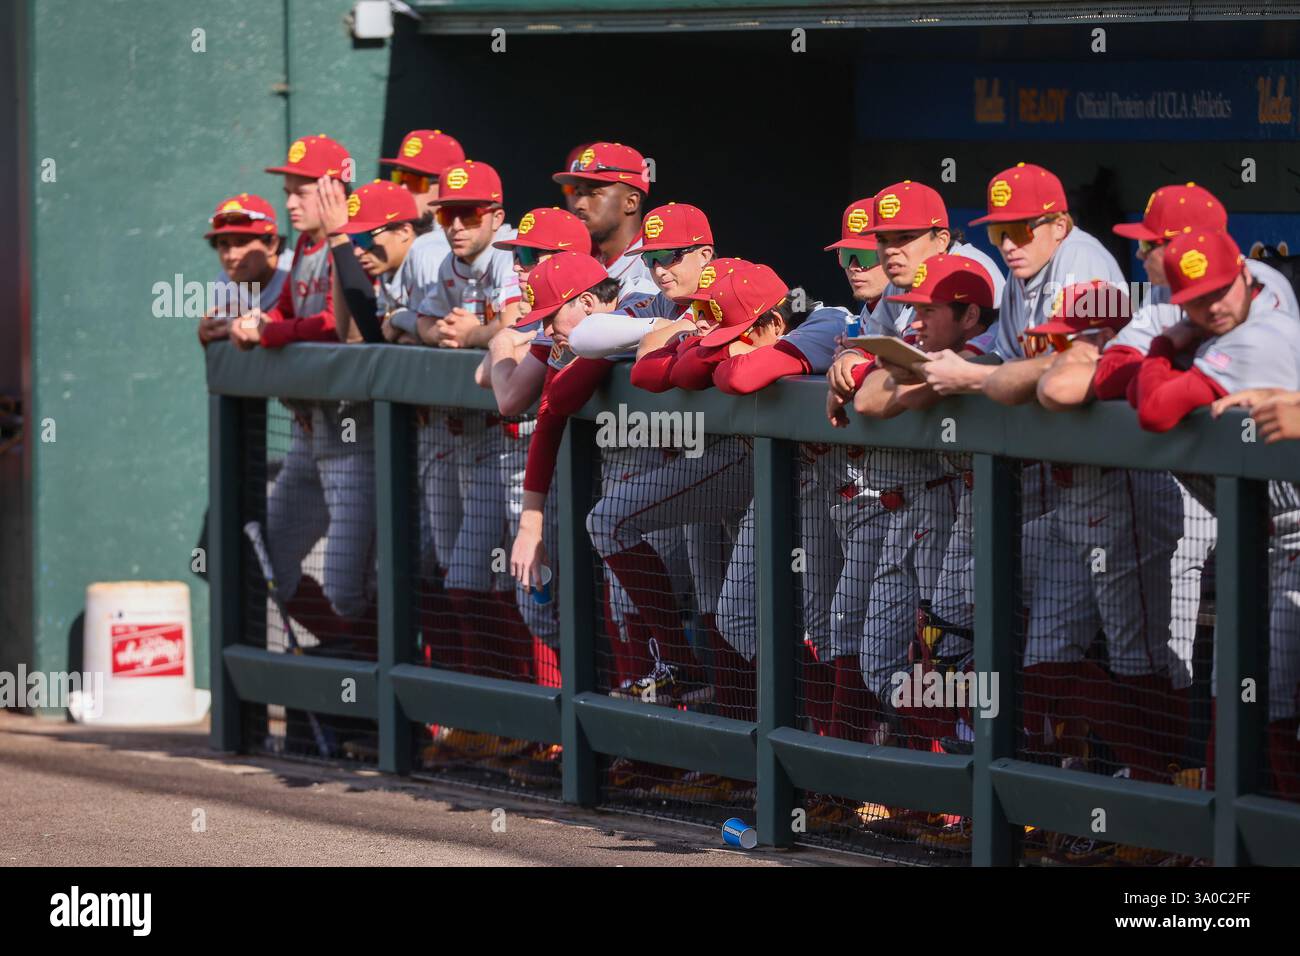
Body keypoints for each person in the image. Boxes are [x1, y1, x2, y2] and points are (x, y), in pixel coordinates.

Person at [1133, 228, 1300, 802]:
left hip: (1290, 539)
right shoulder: (1237, 322)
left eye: (1220, 291)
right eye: (1196, 301)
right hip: (1274, 542)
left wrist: (1161, 349)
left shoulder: (1260, 335)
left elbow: (1154, 406)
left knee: (1271, 698)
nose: (1214, 307)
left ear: (1245, 276)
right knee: (1264, 698)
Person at [552, 141, 658, 299]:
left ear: (631, 202)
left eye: (593, 194)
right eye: (578, 193)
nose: (579, 205)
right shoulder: (583, 261)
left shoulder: (659, 262)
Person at [198, 193, 292, 347]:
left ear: (271, 245)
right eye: (223, 244)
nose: (231, 256)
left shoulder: (295, 271)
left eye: (242, 242)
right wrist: (207, 333)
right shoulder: (224, 281)